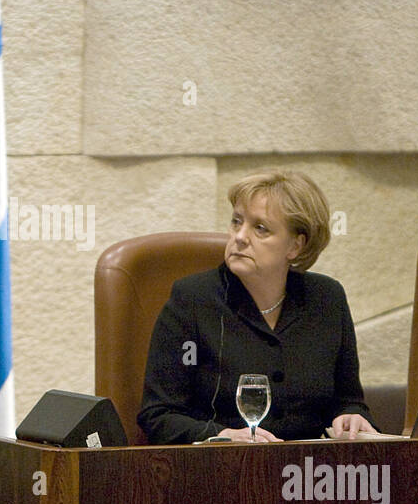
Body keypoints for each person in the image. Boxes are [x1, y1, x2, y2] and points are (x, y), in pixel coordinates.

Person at [138, 170, 375, 444]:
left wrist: (352, 416)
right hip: (222, 472)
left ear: (295, 246)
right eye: (236, 222)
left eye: (260, 228)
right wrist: (221, 436)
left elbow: (348, 401)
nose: (240, 236)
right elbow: (158, 414)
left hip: (309, 474)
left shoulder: (327, 299)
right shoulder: (192, 300)